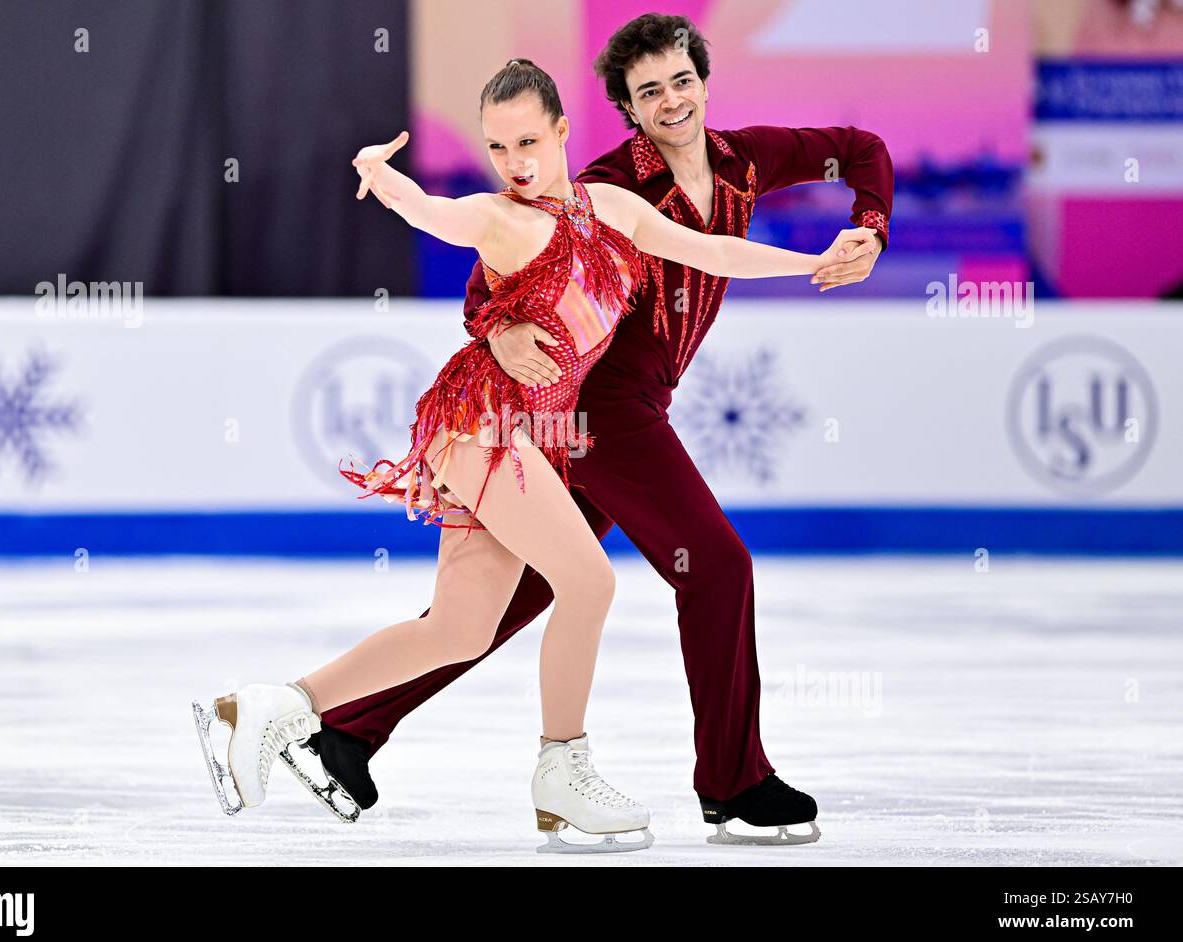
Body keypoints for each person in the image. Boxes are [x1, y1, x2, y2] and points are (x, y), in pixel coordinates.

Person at [193, 56, 851, 853]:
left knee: (462, 631)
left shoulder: (610, 207)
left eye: (530, 142)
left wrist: (813, 262)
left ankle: (269, 708)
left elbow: (707, 251)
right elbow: (435, 212)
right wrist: (382, 176)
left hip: (517, 434)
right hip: (481, 425)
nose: (517, 165)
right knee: (588, 581)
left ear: (565, 131)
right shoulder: (502, 219)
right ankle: (561, 775)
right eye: (499, 149)